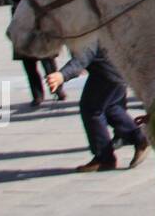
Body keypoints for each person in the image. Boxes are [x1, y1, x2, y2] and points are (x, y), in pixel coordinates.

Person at [47, 42, 148, 172]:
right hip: (117, 71)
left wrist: (62, 75)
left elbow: (84, 55)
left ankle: (104, 158)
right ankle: (139, 138)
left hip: (107, 75)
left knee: (91, 109)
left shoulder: (86, 29)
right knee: (111, 108)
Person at [1, 0, 66, 108]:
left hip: (41, 15)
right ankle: (37, 95)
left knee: (46, 55)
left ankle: (57, 89)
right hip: (21, 16)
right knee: (27, 59)